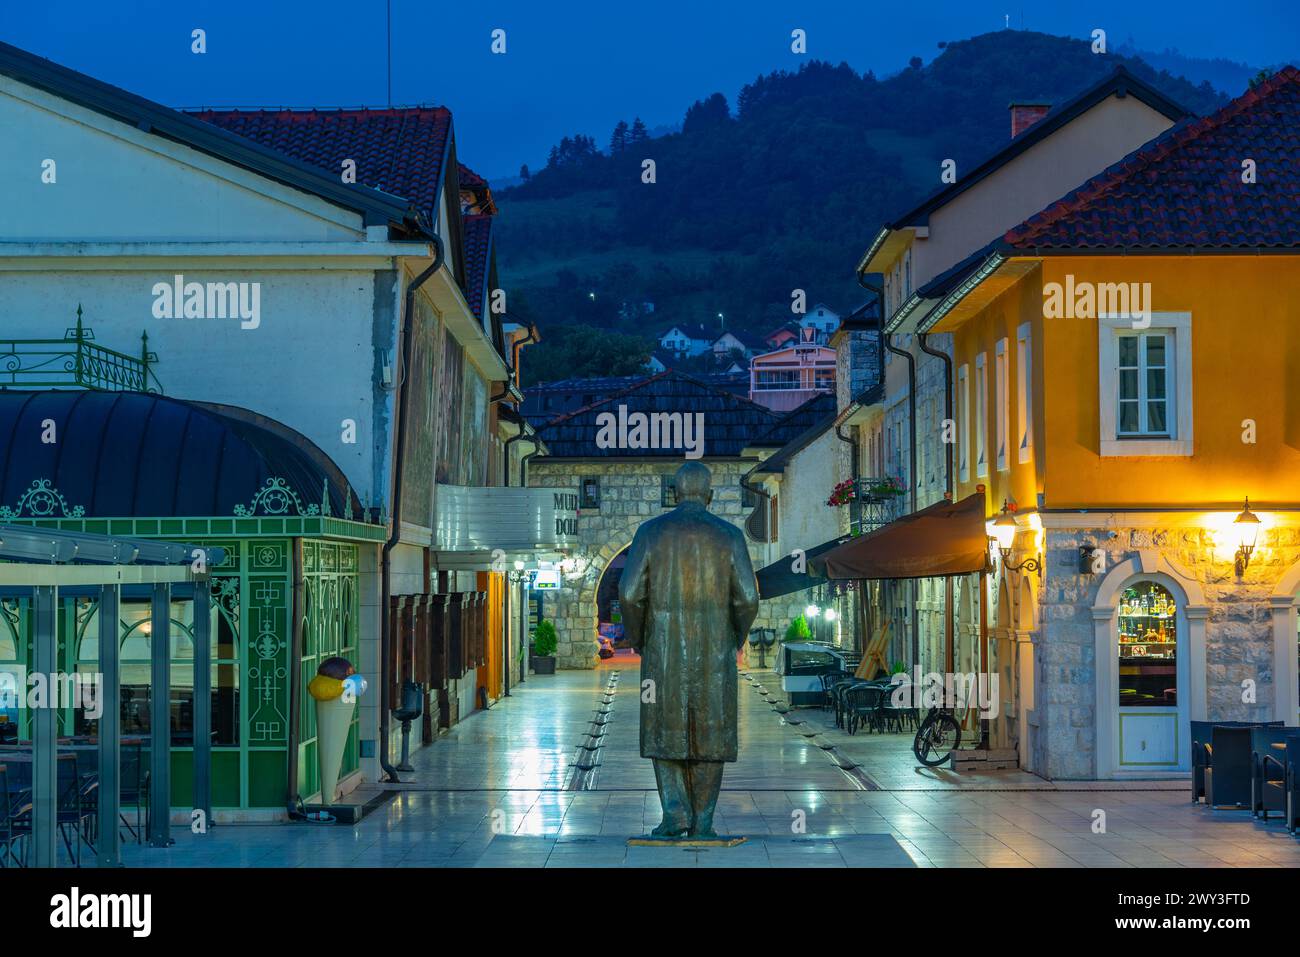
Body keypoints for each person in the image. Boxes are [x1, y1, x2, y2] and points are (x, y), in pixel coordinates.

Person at [618, 461, 759, 839]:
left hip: (662, 652)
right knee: (711, 734)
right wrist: (734, 637)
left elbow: (629, 593)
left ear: (675, 493)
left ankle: (674, 814)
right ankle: (704, 822)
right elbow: (747, 597)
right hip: (715, 652)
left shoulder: (650, 533)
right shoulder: (729, 536)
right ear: (709, 495)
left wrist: (640, 638)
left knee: (665, 731)